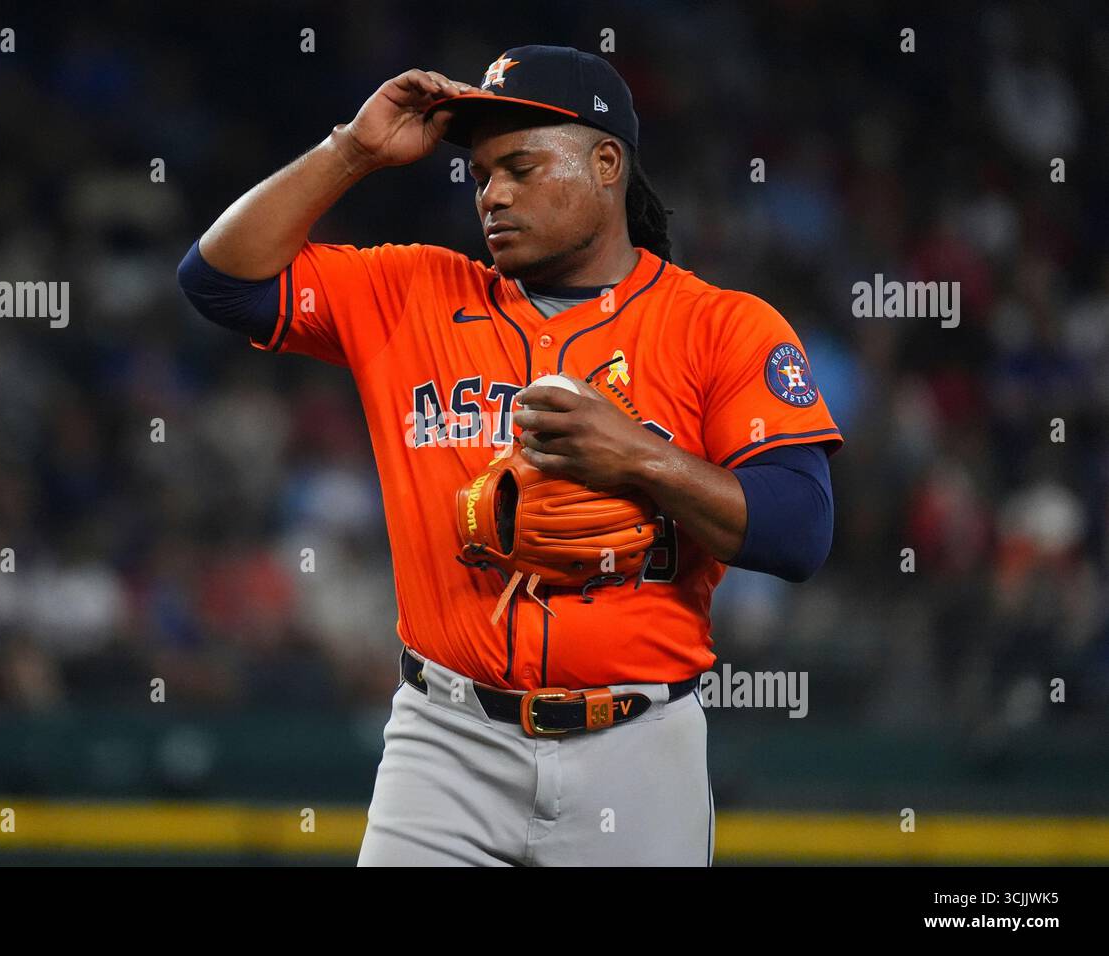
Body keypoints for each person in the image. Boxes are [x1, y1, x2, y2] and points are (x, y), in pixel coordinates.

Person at [178, 45, 842, 866]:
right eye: (483, 174)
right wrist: (350, 150)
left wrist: (642, 462)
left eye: (521, 168)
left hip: (636, 745)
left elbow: (802, 529)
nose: (492, 193)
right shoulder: (412, 293)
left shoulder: (721, 327)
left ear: (606, 163)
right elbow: (218, 280)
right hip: (445, 736)